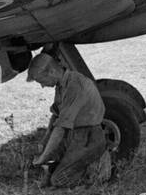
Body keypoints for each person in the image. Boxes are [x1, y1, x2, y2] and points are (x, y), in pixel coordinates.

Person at [27, 53, 111, 187]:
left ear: (52, 71)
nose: (42, 86)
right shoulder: (61, 85)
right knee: (44, 166)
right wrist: (44, 142)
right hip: (75, 136)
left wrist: (44, 156)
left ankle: (98, 167)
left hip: (88, 138)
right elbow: (56, 115)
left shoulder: (75, 85)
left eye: (41, 81)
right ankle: (79, 165)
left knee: (58, 179)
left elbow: (61, 127)